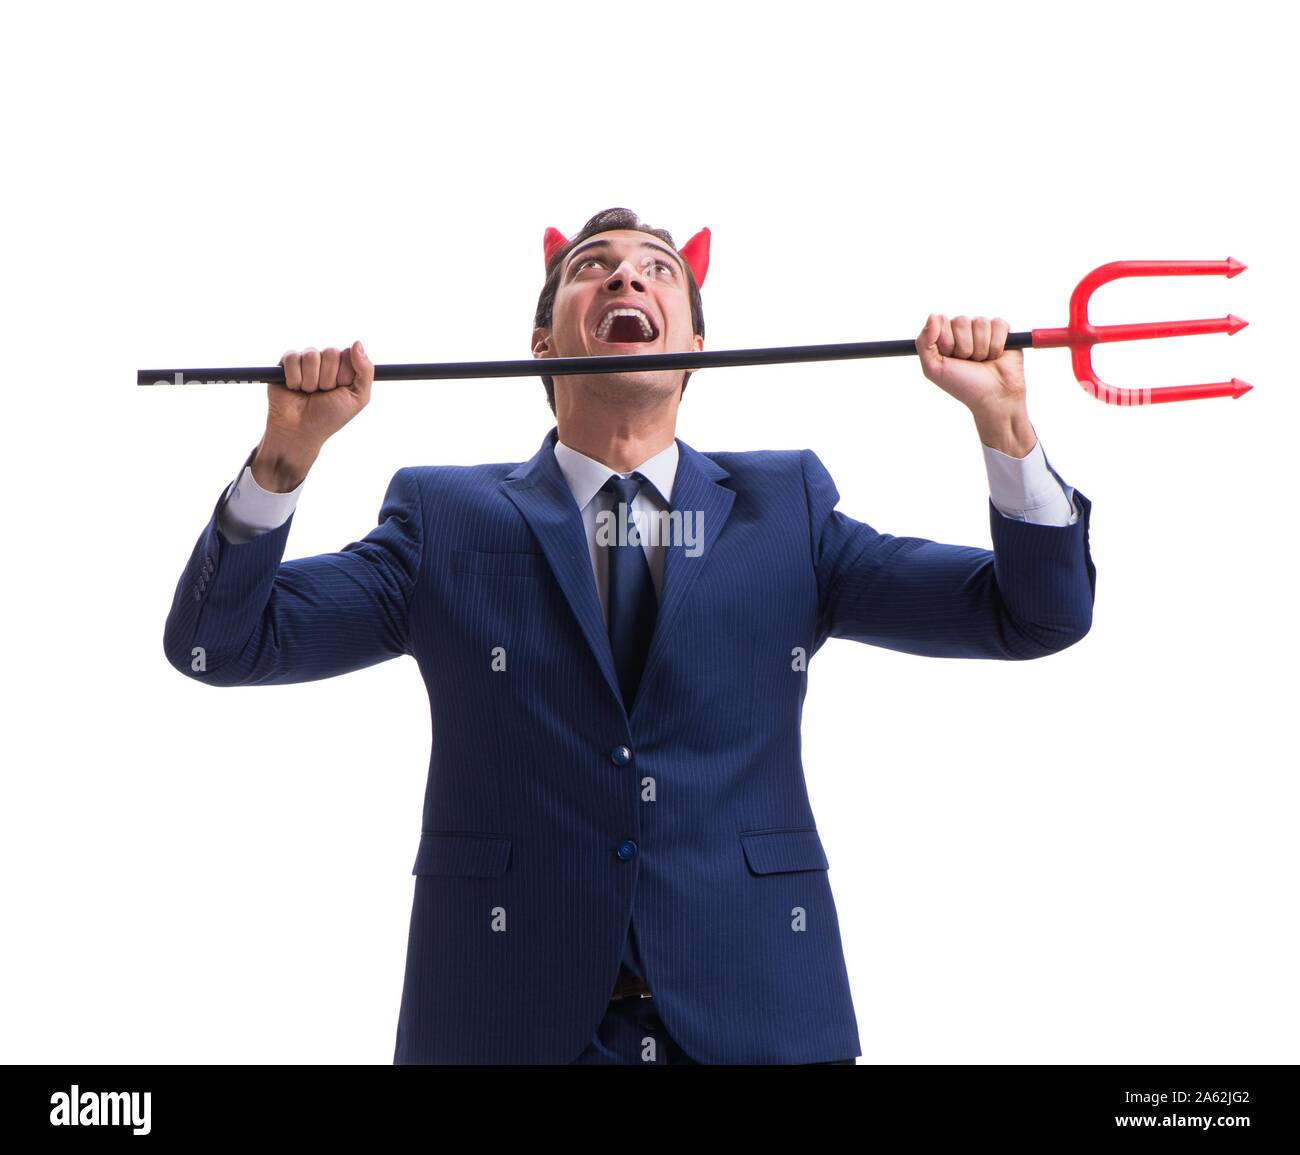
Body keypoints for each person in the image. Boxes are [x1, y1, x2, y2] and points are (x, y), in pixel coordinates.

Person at [164, 207, 1096, 1065]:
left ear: (695, 347)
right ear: (541, 343)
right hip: (499, 1023)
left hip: (759, 1017)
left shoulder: (787, 509)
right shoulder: (442, 516)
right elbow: (221, 643)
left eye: (657, 271)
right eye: (592, 268)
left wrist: (1004, 424)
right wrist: (284, 460)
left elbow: (1035, 615)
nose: (625, 280)